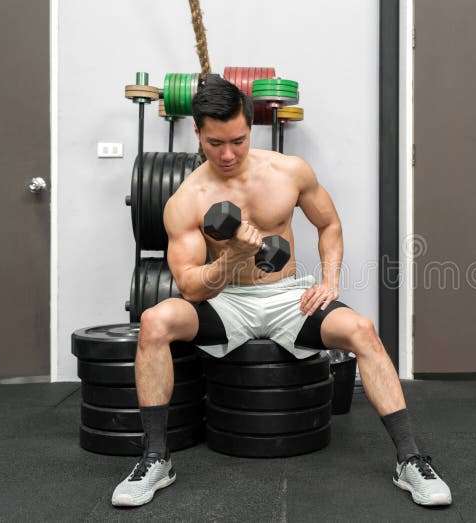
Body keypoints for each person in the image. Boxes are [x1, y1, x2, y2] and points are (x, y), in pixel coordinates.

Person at [111, 79, 452, 508]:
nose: (229, 154)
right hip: (227, 300)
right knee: (155, 321)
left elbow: (329, 225)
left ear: (250, 127)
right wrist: (231, 257)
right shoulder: (186, 199)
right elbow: (191, 285)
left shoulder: (289, 171)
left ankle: (410, 460)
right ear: (197, 133)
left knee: (363, 330)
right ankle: (156, 459)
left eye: (238, 140)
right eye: (216, 143)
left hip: (289, 295)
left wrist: (329, 281)